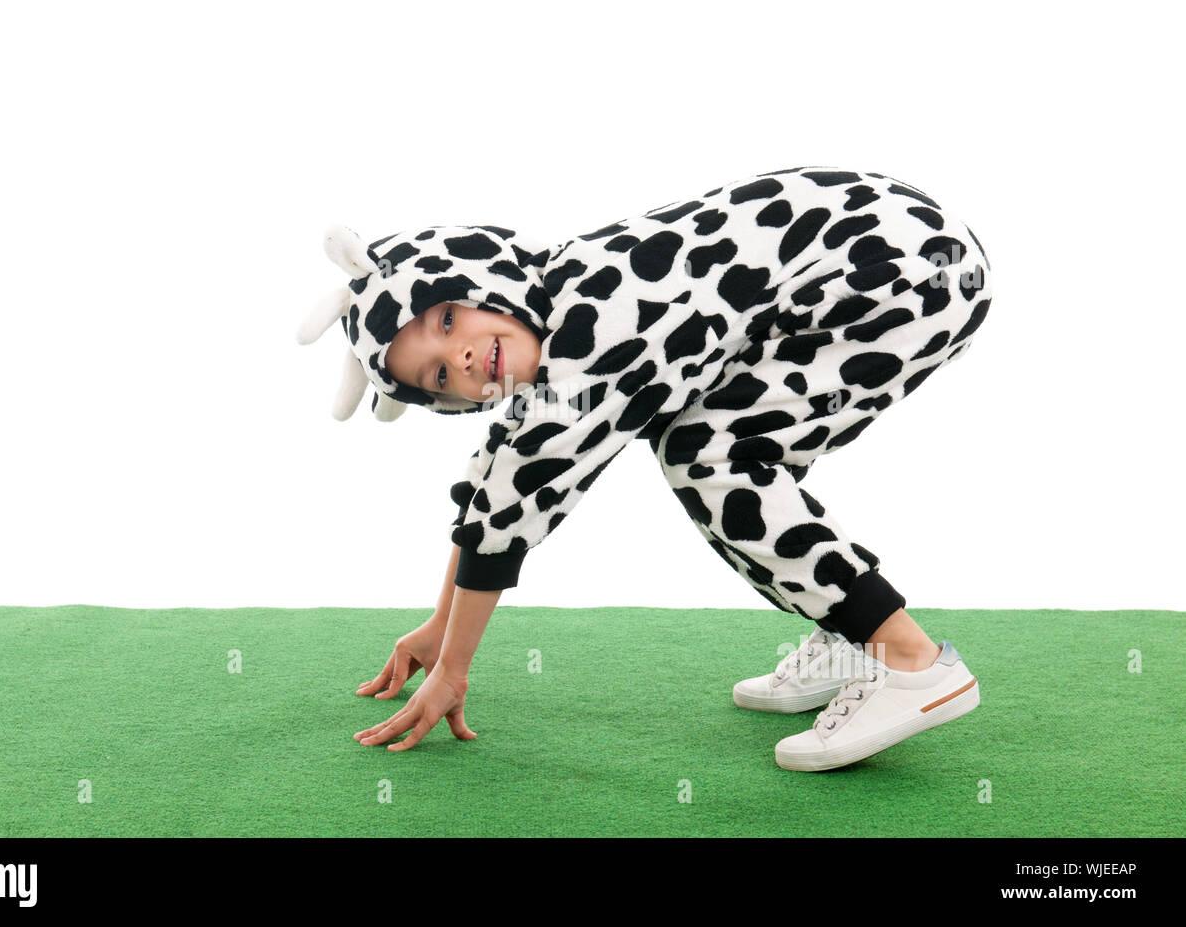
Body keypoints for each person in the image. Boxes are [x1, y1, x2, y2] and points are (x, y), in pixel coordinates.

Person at [297, 165, 992, 770]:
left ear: (485, 278)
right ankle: (852, 631)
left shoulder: (592, 334)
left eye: (447, 321)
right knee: (721, 446)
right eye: (439, 374)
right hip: (879, 260)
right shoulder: (560, 309)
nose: (465, 360)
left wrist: (453, 667)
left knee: (712, 458)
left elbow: (509, 512)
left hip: (905, 272)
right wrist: (437, 625)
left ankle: (911, 663)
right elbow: (496, 485)